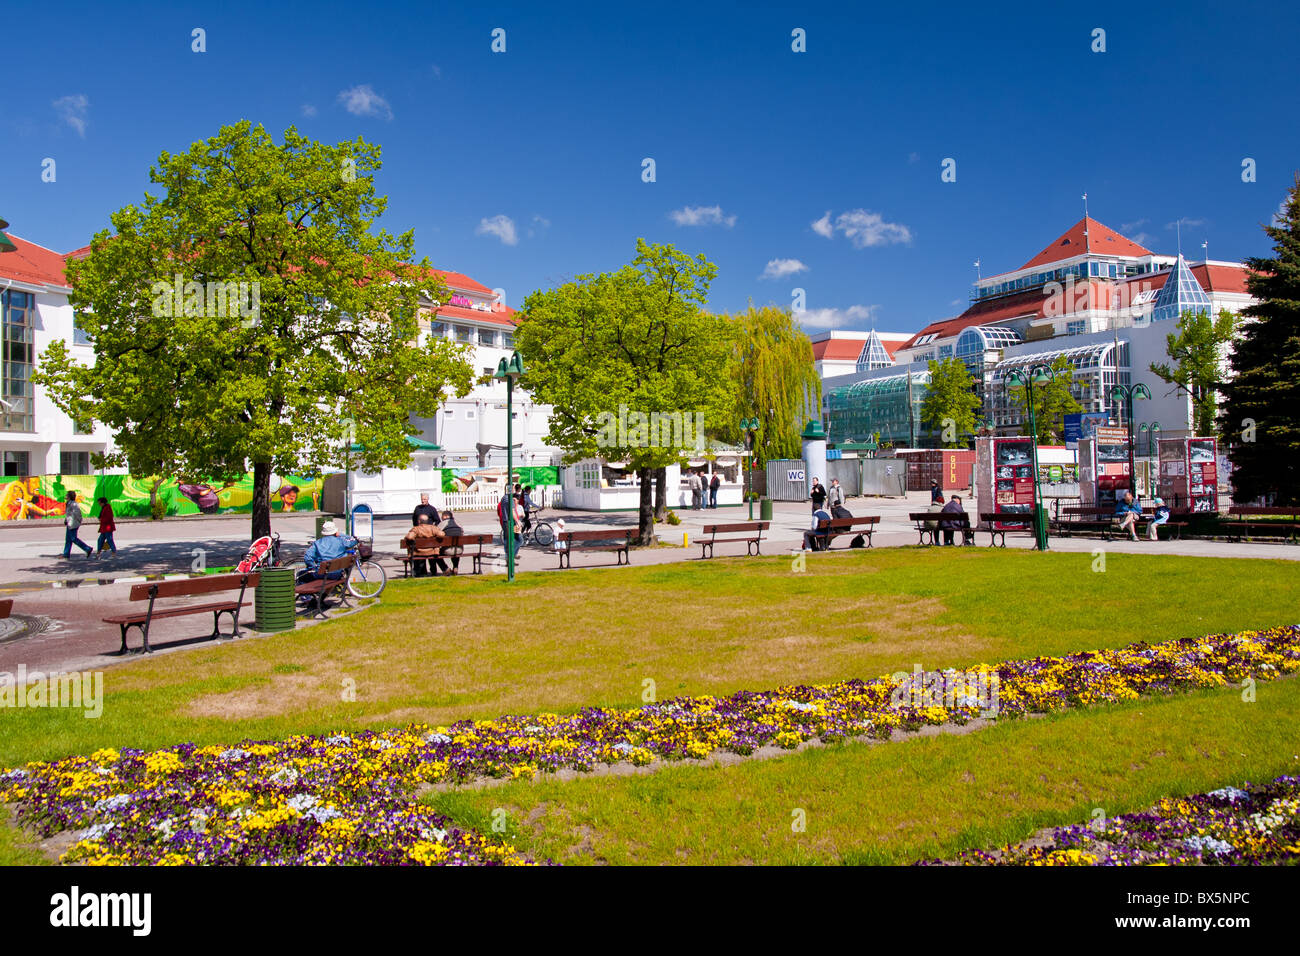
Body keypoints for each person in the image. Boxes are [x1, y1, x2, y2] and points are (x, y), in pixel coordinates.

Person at [401, 513, 445, 577]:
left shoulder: (416, 529)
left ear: (419, 521)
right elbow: (441, 534)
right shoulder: (433, 528)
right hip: (431, 551)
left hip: (419, 552)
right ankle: (434, 571)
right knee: (433, 553)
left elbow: (410, 537)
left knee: (414, 552)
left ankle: (418, 572)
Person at [62, 491, 93, 558]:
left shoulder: (73, 504)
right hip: (70, 523)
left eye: (67, 495)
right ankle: (66, 554)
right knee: (68, 540)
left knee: (73, 539)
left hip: (73, 523)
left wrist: (78, 521)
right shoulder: (68, 503)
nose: (66, 496)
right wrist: (66, 520)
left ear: (69, 496)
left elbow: (77, 513)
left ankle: (87, 548)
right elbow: (68, 514)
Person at [435, 510, 464, 575]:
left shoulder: (441, 524)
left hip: (447, 550)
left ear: (444, 516)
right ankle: (455, 567)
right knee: (456, 547)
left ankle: (445, 568)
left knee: (435, 554)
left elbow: (436, 535)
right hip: (459, 550)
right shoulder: (458, 523)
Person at [497, 491, 523, 560]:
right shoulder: (509, 499)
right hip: (511, 522)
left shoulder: (504, 499)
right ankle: (510, 556)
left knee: (516, 539)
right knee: (517, 539)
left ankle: (511, 555)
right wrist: (517, 521)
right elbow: (512, 511)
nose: (516, 501)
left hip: (510, 522)